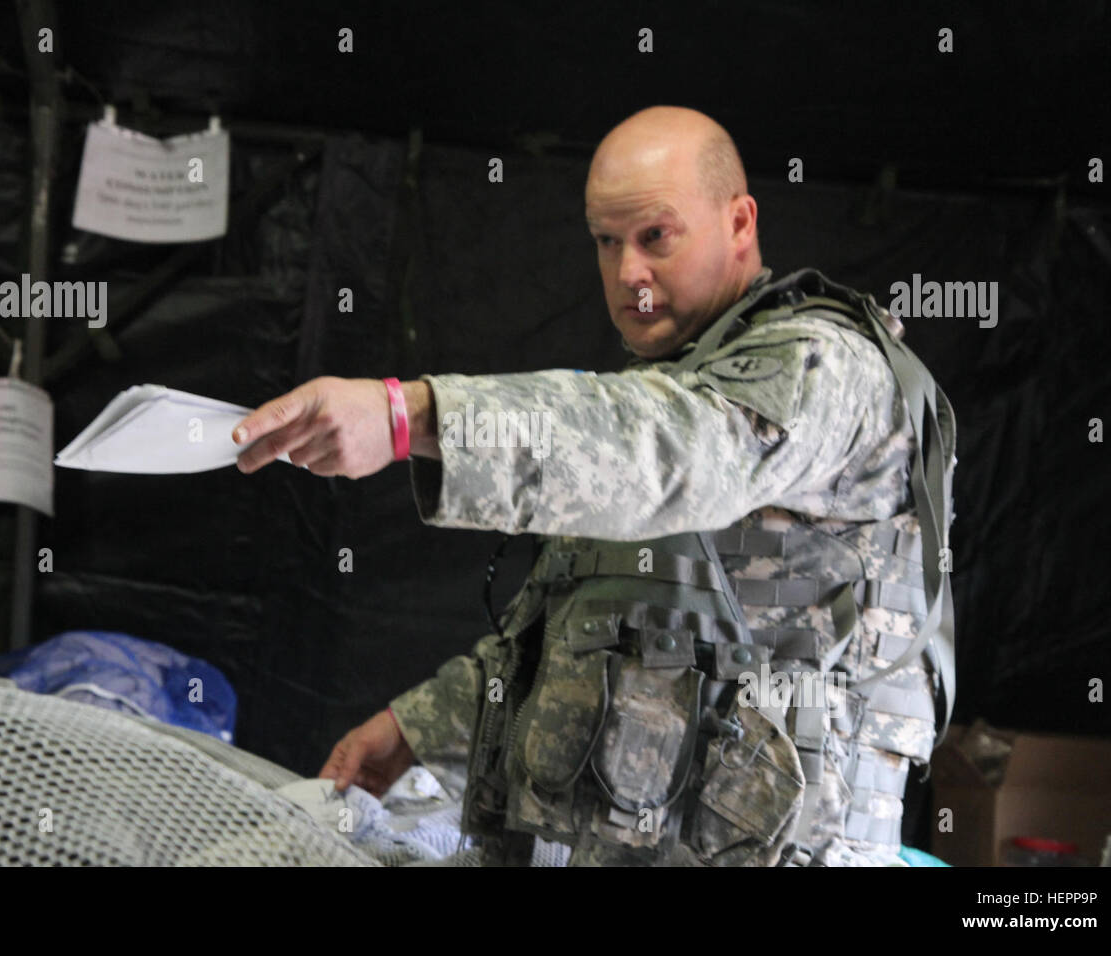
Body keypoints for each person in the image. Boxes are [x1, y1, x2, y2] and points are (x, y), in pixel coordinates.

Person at [233, 105, 957, 866]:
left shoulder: (822, 366)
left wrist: (409, 414)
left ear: (739, 222)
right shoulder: (667, 392)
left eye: (655, 238)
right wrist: (419, 728)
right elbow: (574, 633)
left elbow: (675, 450)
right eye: (606, 243)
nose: (628, 275)